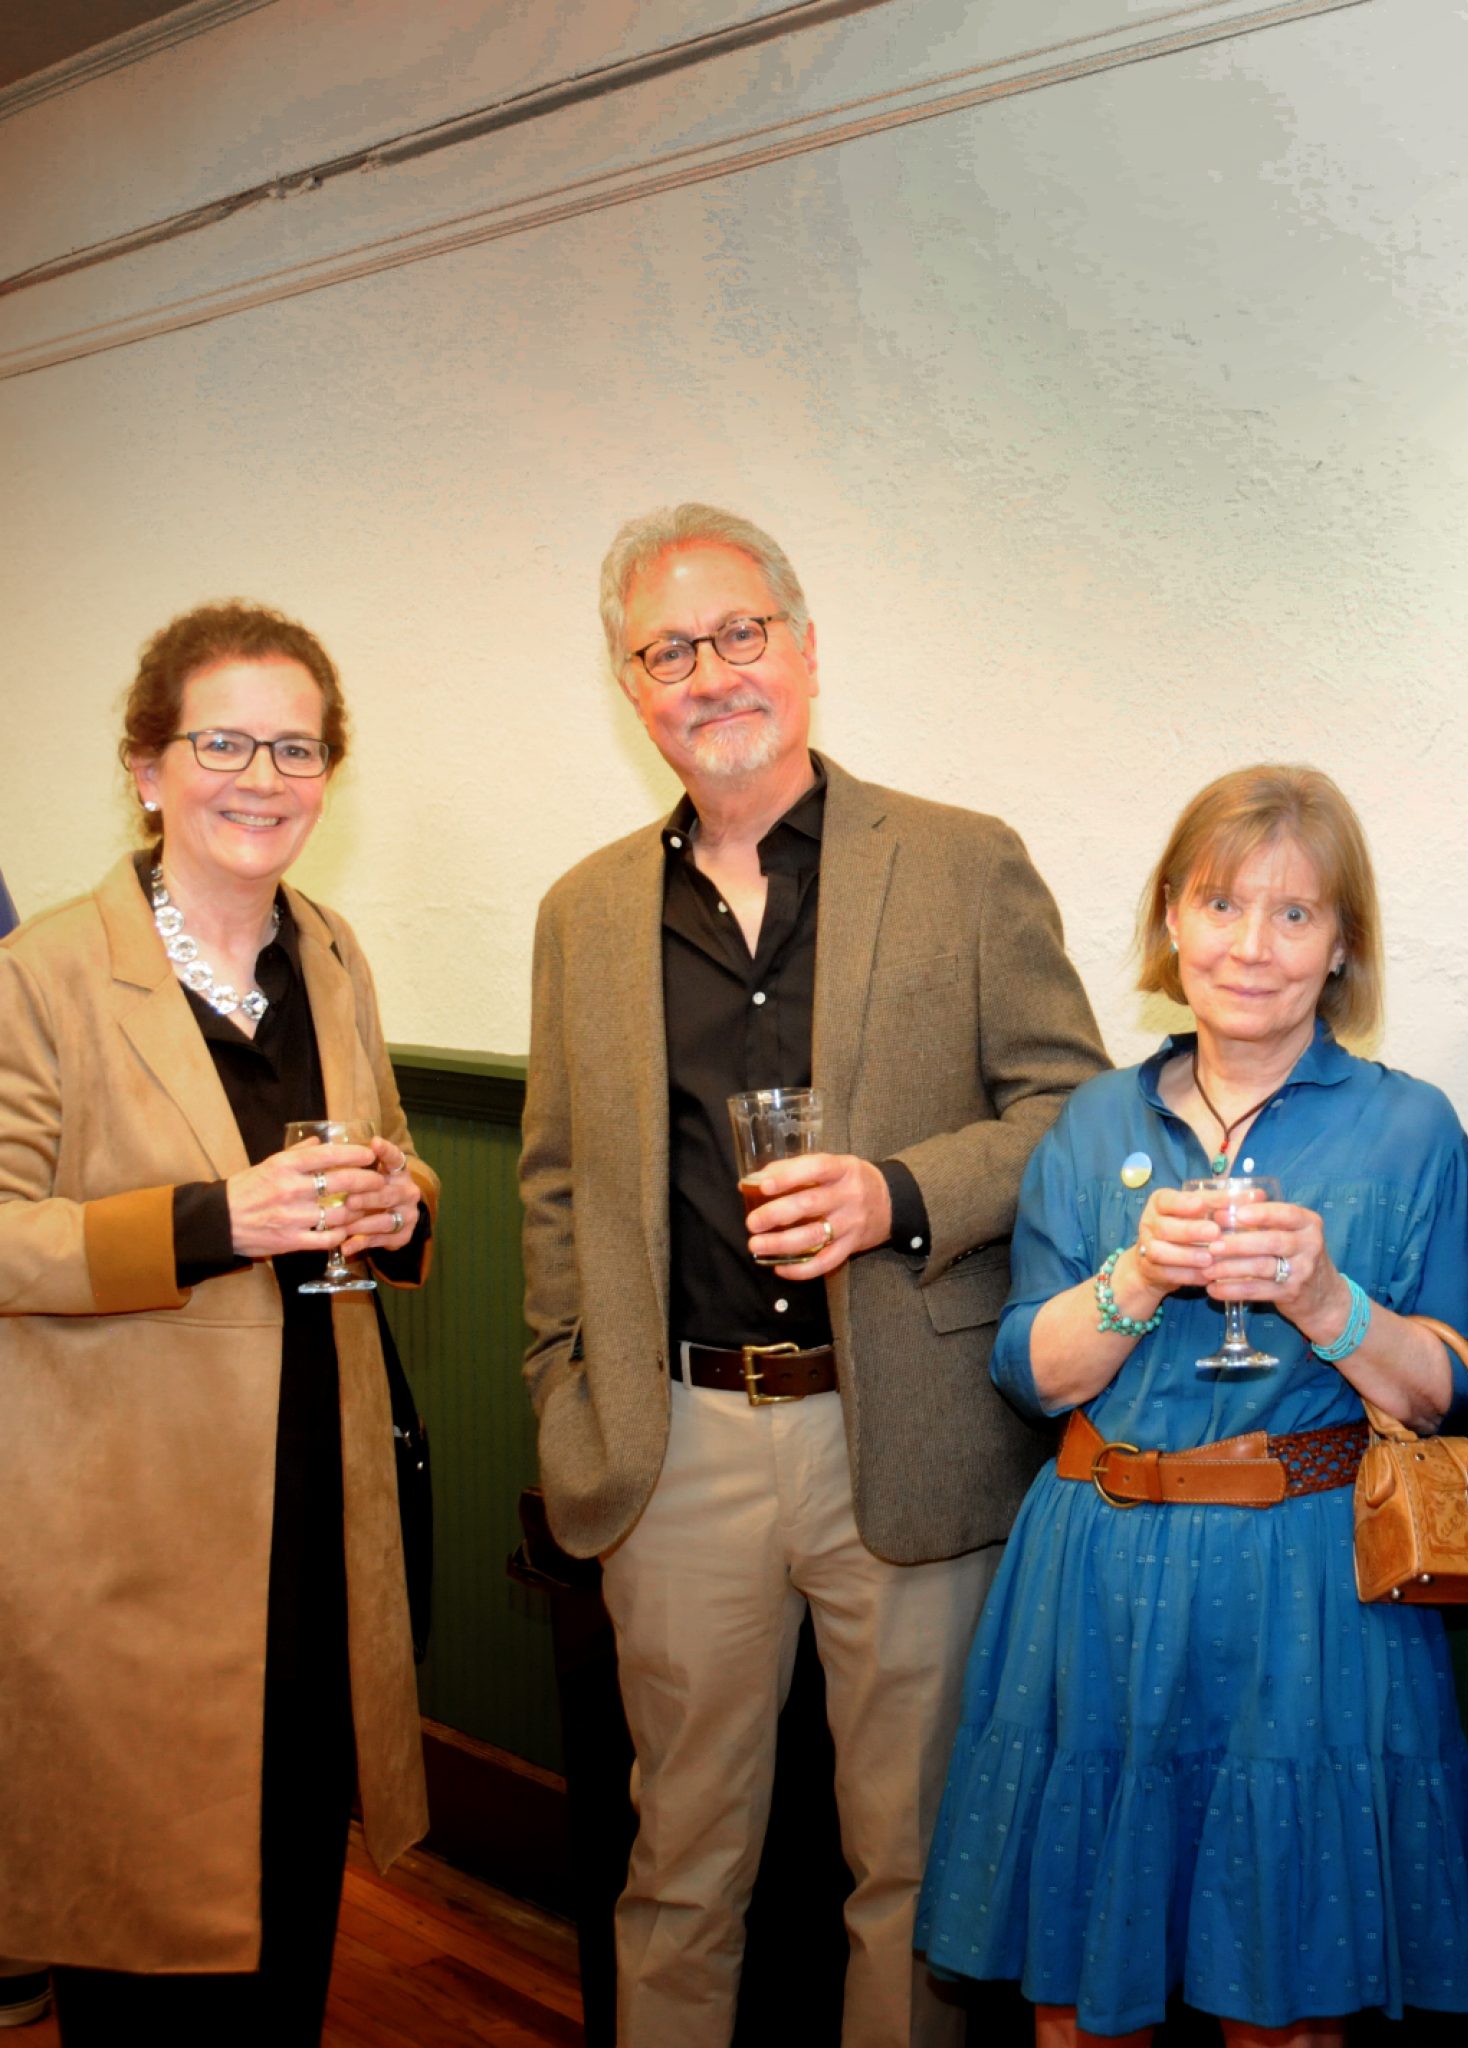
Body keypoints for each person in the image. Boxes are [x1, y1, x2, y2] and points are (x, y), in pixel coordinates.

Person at [519, 503, 1106, 2046]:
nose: (710, 674)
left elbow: (1072, 1114)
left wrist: (899, 1193)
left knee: (911, 1872)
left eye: (739, 635)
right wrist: (569, 1400)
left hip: (901, 1439)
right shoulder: (584, 911)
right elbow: (558, 1183)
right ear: (629, 684)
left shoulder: (965, 862)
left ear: (805, 647)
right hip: (680, 1447)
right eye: (669, 649)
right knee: (679, 1869)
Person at [916, 765, 1468, 2047]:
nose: (1250, 945)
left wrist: (1325, 1299)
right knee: (1079, 1986)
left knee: (1284, 1995)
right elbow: (1027, 1369)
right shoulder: (1086, 1122)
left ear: (1342, 942)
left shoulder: (1409, 1130)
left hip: (1308, 1584)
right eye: (1220, 902)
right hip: (1096, 1563)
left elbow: (1451, 1394)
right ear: (1168, 920)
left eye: (1295, 914)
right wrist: (1134, 1274)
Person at [0, 604, 436, 2043]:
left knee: (292, 1915)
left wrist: (400, 1206)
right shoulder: (44, 973)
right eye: (224, 741)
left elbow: (399, 1151)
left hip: (317, 1509)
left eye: (296, 746)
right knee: (147, 1950)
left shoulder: (333, 952)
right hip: (132, 1543)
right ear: (147, 766)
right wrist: (214, 1221)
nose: (264, 775)